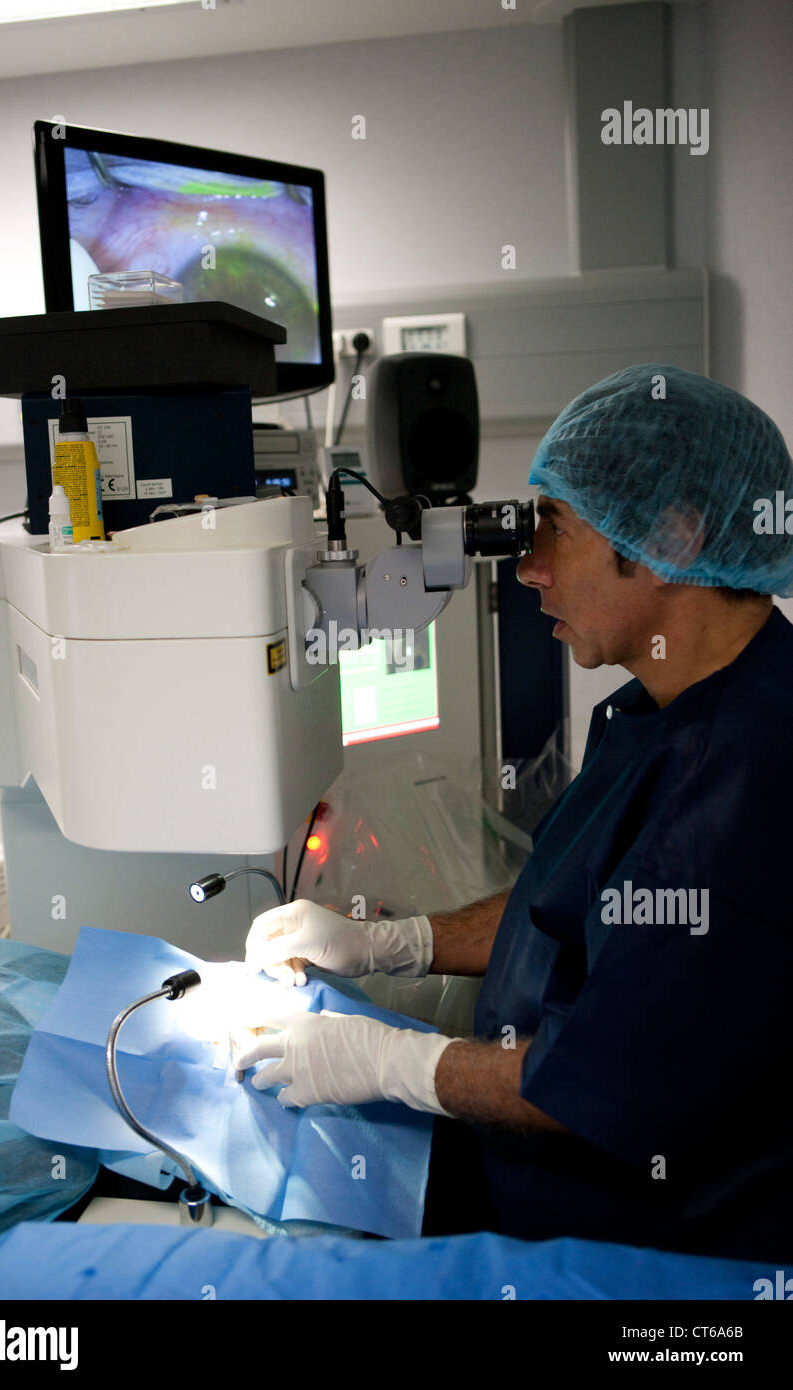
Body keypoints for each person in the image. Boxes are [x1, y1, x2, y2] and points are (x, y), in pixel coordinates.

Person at [235, 364, 793, 1261]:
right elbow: (570, 907)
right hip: (533, 1176)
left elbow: (602, 1088)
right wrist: (391, 940)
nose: (528, 570)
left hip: (636, 1247)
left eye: (555, 531)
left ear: (675, 539)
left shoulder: (740, 786)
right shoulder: (660, 706)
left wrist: (387, 1064)